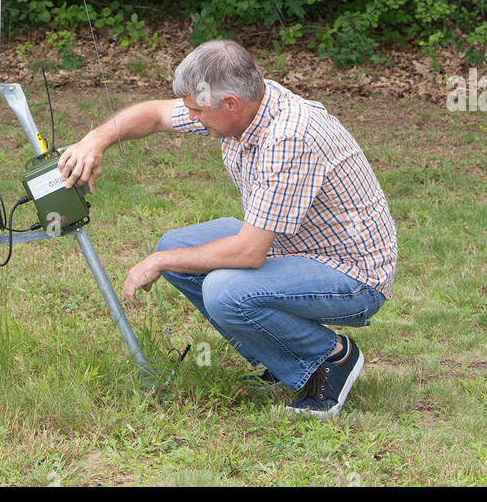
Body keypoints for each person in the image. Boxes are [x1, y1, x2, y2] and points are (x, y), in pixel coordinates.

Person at [56, 38, 397, 417]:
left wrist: (158, 261)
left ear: (230, 103)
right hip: (294, 246)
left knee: (222, 289)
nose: (194, 119)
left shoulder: (289, 138)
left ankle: (331, 359)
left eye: (198, 112)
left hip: (351, 275)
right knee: (178, 245)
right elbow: (154, 115)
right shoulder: (244, 105)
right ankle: (280, 358)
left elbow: (248, 253)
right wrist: (96, 139)